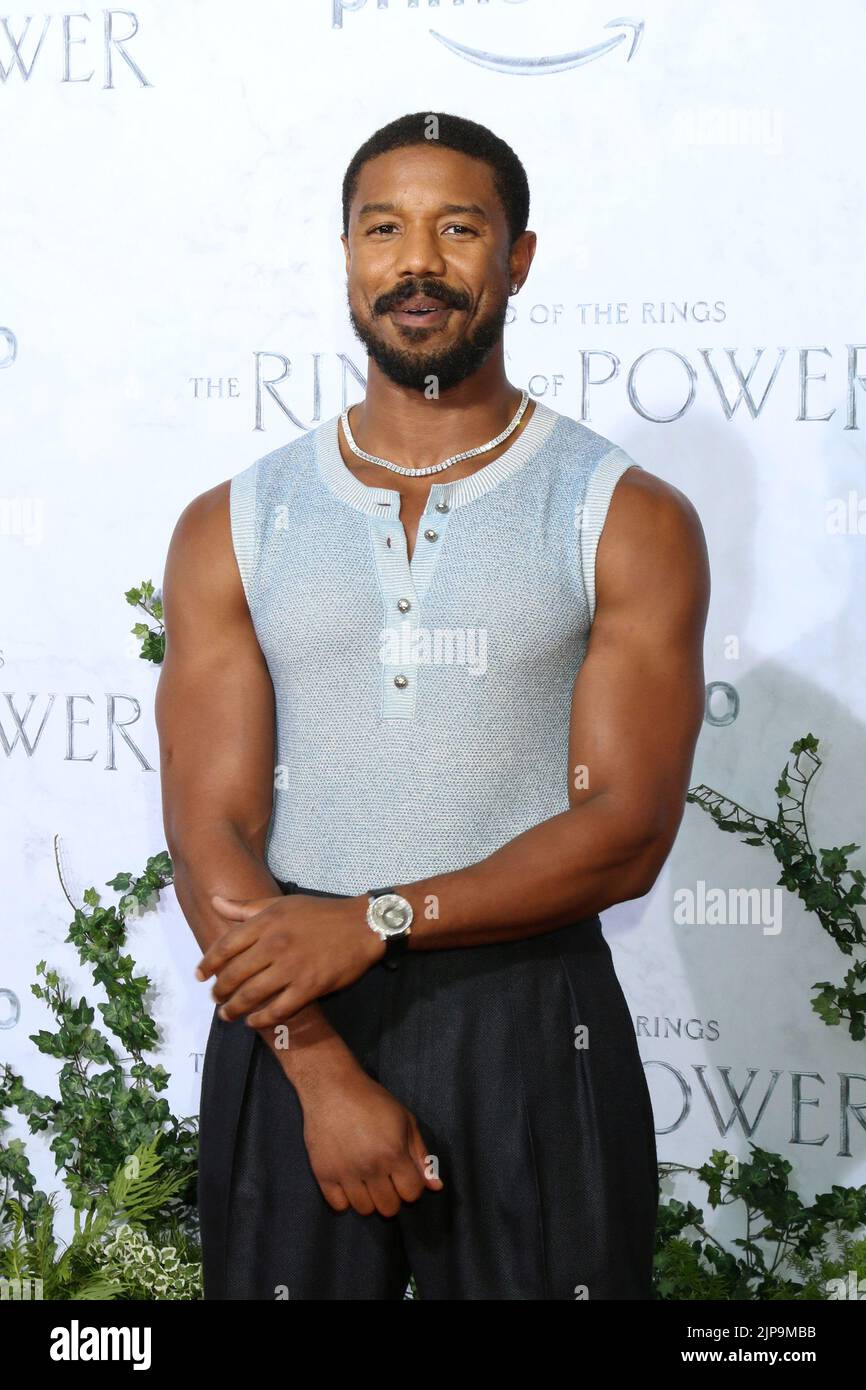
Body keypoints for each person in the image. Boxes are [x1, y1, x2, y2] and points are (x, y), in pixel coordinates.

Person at [155, 110, 710, 1301]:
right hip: (292, 1008)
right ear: (345, 255)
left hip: (529, 1014)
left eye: (457, 229)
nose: (416, 262)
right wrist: (315, 1068)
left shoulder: (623, 513)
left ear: (515, 259)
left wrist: (380, 916)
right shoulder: (232, 524)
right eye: (382, 230)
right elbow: (209, 827)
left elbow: (623, 830)